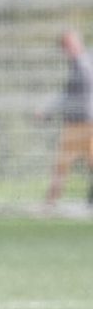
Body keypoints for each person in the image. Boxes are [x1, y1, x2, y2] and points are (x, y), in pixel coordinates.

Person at [45, 31, 93, 206]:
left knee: (62, 165)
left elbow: (72, 95)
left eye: (69, 45)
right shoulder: (81, 63)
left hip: (83, 123)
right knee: (63, 165)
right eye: (65, 46)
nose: (68, 50)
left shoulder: (83, 64)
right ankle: (50, 202)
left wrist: (49, 110)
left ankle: (50, 203)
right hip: (80, 122)